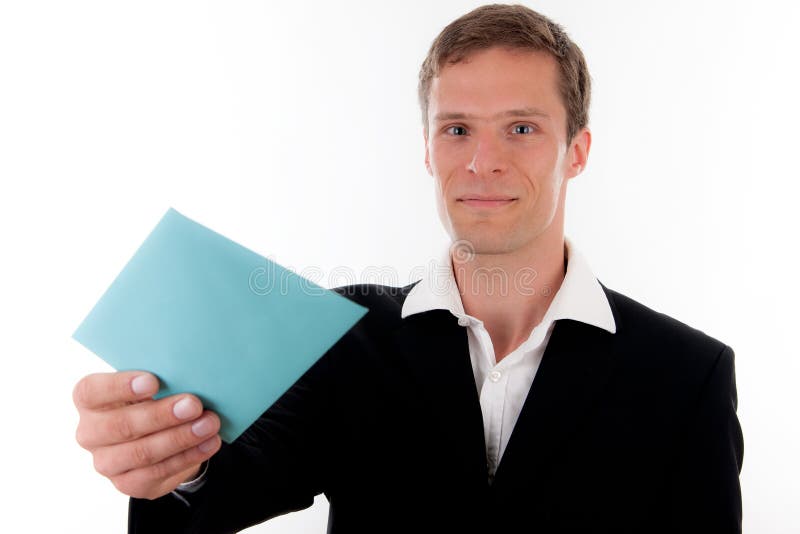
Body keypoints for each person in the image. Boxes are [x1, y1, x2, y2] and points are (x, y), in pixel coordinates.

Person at [73, 4, 743, 533]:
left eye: (520, 128)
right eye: (457, 130)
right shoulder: (345, 333)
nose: (482, 162)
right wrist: (172, 461)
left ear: (577, 151)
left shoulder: (687, 374)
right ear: (428, 149)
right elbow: (228, 489)